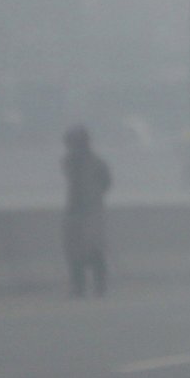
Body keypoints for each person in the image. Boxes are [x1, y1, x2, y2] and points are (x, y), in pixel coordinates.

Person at [61, 125, 112, 297]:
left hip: (91, 211)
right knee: (74, 252)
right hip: (74, 211)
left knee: (93, 249)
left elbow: (106, 183)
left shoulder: (96, 163)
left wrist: (94, 198)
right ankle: (78, 286)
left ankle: (99, 284)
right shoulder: (69, 161)